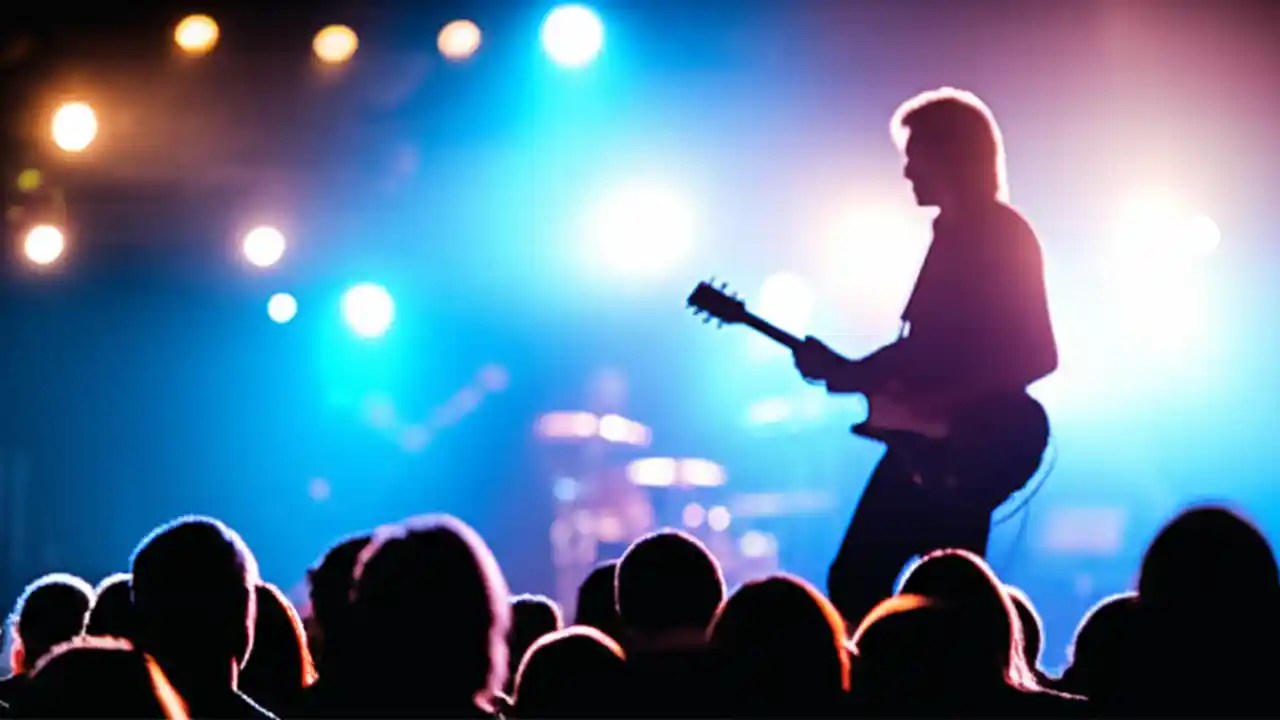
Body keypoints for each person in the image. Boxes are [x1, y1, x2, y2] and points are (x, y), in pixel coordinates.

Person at [792, 87, 1058, 628]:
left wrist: (943, 404)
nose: (907, 170)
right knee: (937, 589)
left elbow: (1038, 353)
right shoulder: (952, 234)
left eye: (915, 154)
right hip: (937, 445)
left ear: (950, 156)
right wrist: (848, 372)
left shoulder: (1001, 234)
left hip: (968, 442)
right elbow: (925, 348)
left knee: (882, 582)